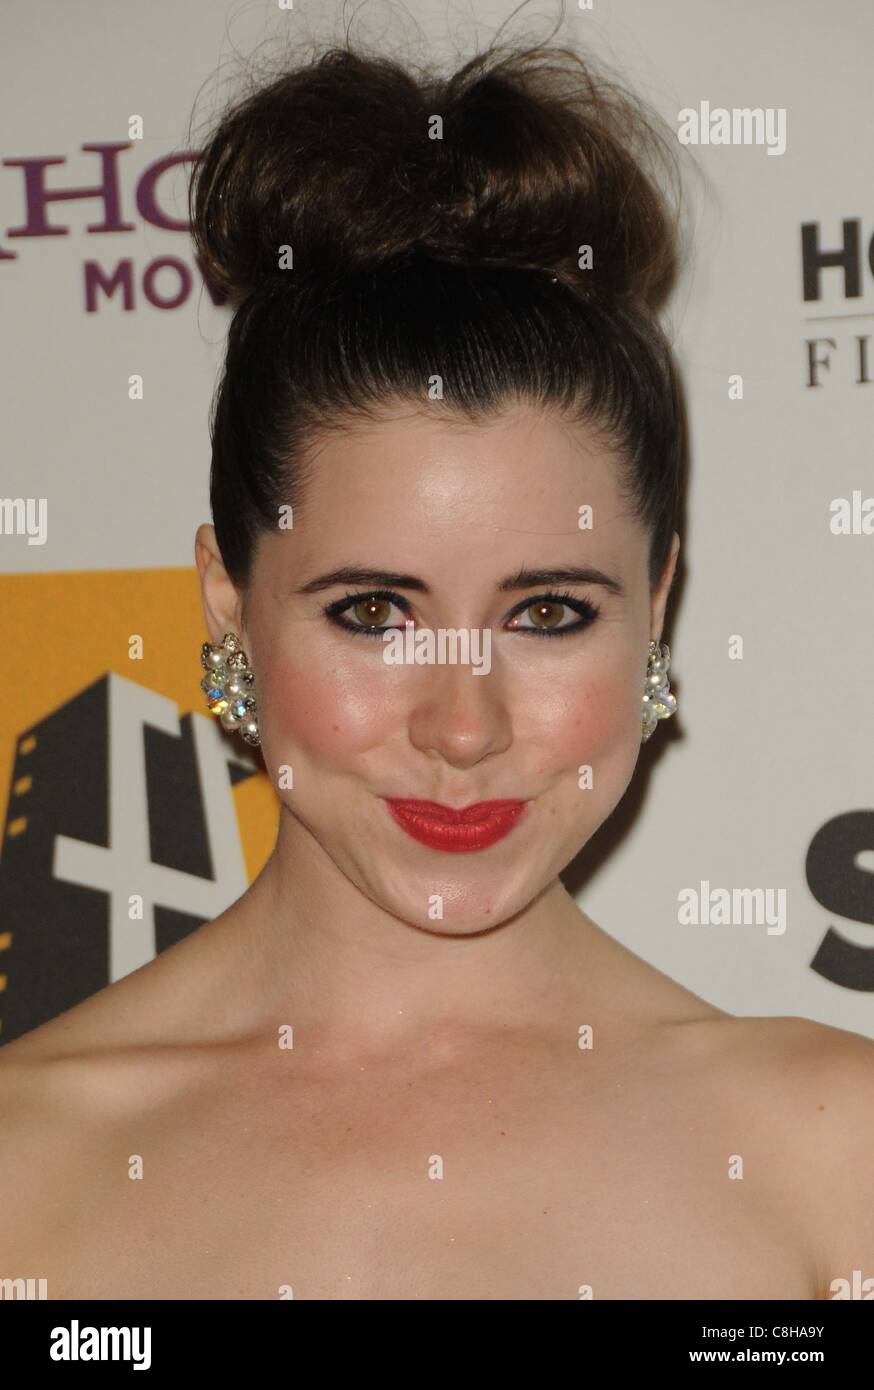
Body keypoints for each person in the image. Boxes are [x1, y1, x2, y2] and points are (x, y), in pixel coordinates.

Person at [1, 37, 872, 1302]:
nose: (462, 727)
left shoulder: (828, 1155)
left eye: (549, 614)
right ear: (229, 606)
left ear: (657, 608)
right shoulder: (31, 1171)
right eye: (372, 611)